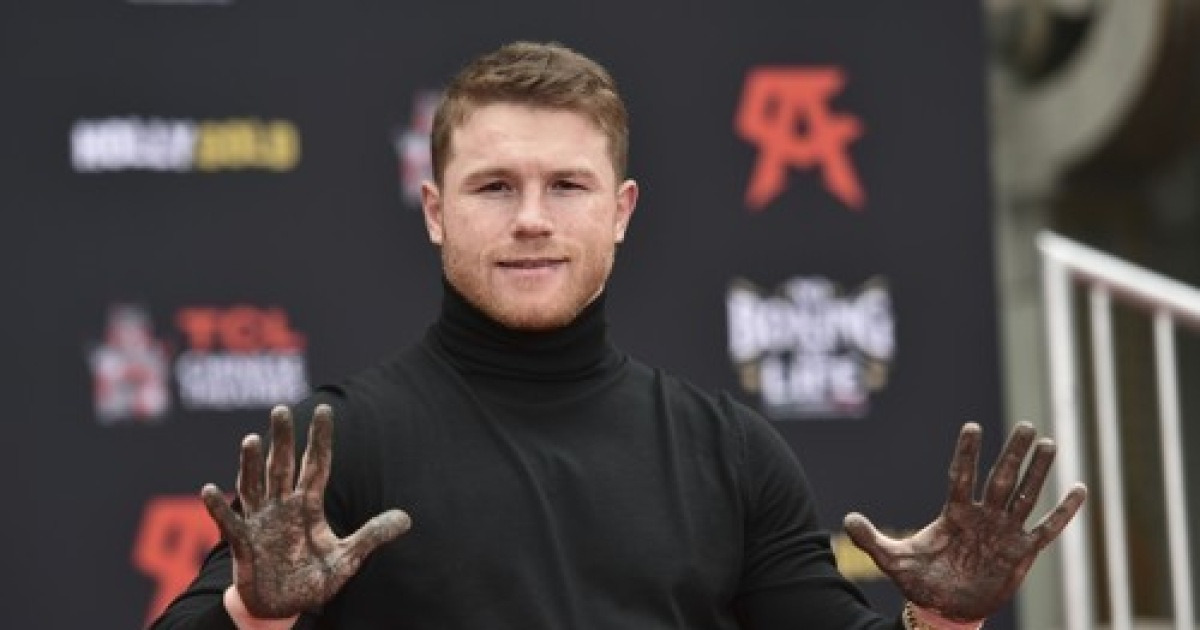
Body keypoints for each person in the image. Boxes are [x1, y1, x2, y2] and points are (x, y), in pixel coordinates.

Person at [151, 41, 1087, 630]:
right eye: (493, 187)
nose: (530, 219)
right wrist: (253, 613)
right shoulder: (337, 445)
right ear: (435, 210)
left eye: (566, 186)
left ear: (622, 210)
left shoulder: (728, 451)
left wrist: (946, 622)